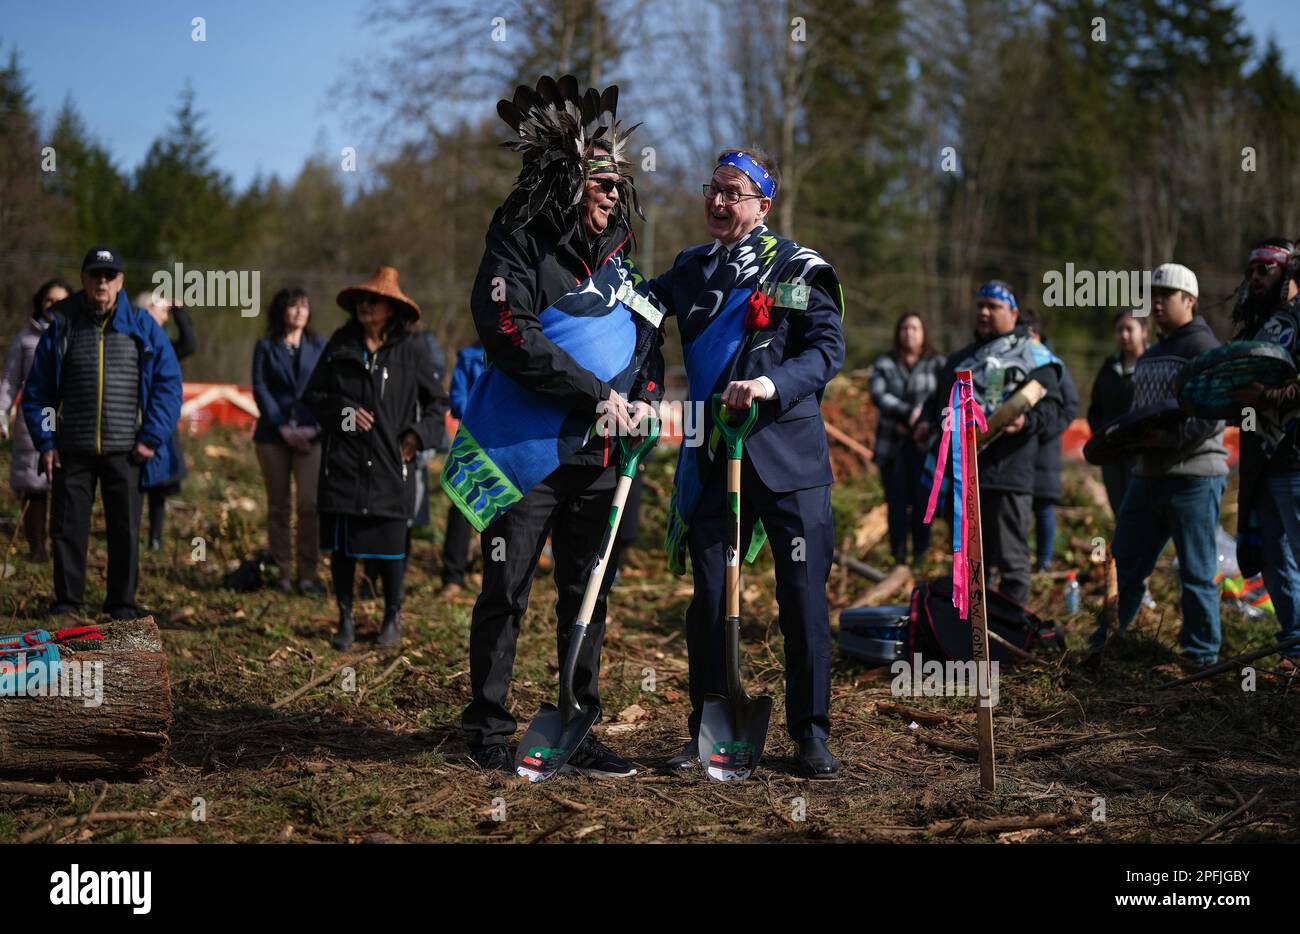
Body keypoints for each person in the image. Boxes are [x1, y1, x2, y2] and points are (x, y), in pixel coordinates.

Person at [447, 75, 662, 776]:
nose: (614, 194)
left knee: (587, 594)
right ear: (570, 182)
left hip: (603, 459)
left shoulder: (620, 259)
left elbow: (648, 341)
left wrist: (645, 397)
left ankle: (577, 722)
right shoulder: (518, 243)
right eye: (603, 182)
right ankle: (488, 727)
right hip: (528, 453)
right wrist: (593, 392)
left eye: (619, 184)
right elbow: (509, 331)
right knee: (506, 590)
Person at [648, 147, 846, 778]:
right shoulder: (691, 268)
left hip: (788, 459)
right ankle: (707, 729)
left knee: (802, 599)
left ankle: (810, 734)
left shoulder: (797, 268)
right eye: (713, 188)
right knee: (709, 600)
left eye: (732, 193)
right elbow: (639, 314)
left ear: (763, 205)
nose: (717, 201)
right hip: (712, 456)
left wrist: (770, 384)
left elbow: (826, 352)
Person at [22, 247, 182, 619]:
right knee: (67, 529)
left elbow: (169, 385)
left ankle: (121, 604)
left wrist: (151, 437)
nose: (102, 283)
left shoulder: (143, 327)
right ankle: (68, 602)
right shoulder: (62, 325)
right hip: (71, 449)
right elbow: (39, 393)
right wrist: (47, 441)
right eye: (95, 275)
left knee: (125, 530)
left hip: (127, 450)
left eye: (110, 276)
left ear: (121, 282)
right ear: (83, 279)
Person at [1089, 263, 1228, 668]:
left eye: (1166, 295)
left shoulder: (1205, 349)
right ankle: (1107, 641)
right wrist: (1126, 440)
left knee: (1196, 572)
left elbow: (1212, 414)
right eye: (1154, 296)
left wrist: (1166, 440)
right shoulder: (1149, 356)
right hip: (1147, 475)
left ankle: (1201, 656)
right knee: (1126, 563)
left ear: (1190, 300)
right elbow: (1138, 415)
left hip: (1194, 477)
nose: (1158, 303)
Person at [306, 267, 447, 649]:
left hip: (389, 465)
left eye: (373, 300)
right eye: (361, 300)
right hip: (343, 466)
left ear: (391, 309)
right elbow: (313, 397)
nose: (365, 306)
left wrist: (417, 436)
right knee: (343, 549)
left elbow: (438, 404)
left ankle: (391, 618)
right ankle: (345, 619)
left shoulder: (412, 350)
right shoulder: (340, 344)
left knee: (391, 548)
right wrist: (343, 413)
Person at [916, 282, 1064, 605]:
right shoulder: (961, 359)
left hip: (1007, 473)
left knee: (1011, 561)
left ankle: (1010, 626)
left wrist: (1025, 421)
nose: (984, 312)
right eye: (980, 305)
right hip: (962, 476)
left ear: (1013, 313)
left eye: (993, 307)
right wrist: (926, 422)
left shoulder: (1035, 357)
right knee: (968, 563)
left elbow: (1055, 409)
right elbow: (938, 399)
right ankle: (971, 628)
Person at [1228, 239, 1300, 669]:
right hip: (1262, 461)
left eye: (1265, 270)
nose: (1256, 278)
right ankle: (1293, 647)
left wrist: (1266, 397)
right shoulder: (1259, 328)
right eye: (1251, 271)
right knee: (1274, 556)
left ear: (1287, 274)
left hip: (1295, 456)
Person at [252, 287, 326, 594]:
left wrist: (316, 427)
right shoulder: (265, 347)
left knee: (310, 504)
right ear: (282, 311)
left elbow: (329, 388)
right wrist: (282, 426)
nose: (299, 312)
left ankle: (308, 573)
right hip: (273, 436)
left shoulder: (319, 346)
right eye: (293, 306)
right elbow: (260, 387)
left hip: (312, 435)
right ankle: (281, 572)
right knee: (279, 506)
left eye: (304, 307)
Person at [0, 278, 71, 561]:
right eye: (49, 300)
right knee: (34, 485)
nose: (53, 305)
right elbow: (9, 381)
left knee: (66, 487)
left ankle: (62, 546)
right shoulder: (25, 339)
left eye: (60, 301)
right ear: (41, 302)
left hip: (68, 419)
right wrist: (2, 413)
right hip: (34, 419)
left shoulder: (78, 335)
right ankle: (37, 548)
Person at [869, 312, 943, 566]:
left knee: (924, 503)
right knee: (896, 503)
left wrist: (923, 419)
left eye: (914, 328)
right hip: (893, 445)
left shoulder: (937, 364)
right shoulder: (885, 363)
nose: (909, 333)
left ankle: (921, 556)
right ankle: (898, 556)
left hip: (926, 445)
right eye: (905, 328)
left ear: (924, 333)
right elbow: (879, 394)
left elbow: (942, 397)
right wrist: (906, 412)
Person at [136, 294, 197, 551]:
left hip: (161, 425)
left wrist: (180, 311)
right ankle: (132, 534)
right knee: (135, 481)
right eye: (162, 308)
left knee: (159, 483)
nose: (165, 314)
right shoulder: (132, 341)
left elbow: (189, 344)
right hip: (135, 421)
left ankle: (155, 538)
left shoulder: (166, 347)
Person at [1022, 309, 1078, 573]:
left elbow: (1070, 406)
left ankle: (1044, 560)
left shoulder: (1053, 365)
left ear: (1037, 334)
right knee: (1018, 510)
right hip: (1018, 449)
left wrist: (1047, 429)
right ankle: (1019, 559)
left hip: (1045, 450)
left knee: (1043, 508)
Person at [1087, 309, 1148, 514]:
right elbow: (1095, 407)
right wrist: (1100, 436)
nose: (1124, 335)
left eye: (1129, 329)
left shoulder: (1152, 364)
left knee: (1139, 512)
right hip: (1111, 453)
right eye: (1119, 330)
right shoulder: (1109, 366)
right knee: (1119, 510)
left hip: (1140, 454)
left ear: (1144, 332)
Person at [440, 340, 485, 598]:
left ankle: (494, 576)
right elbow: (457, 399)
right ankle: (452, 577)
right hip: (471, 440)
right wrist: (485, 417)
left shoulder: (521, 349)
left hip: (508, 444)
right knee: (461, 506)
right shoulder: (469, 357)